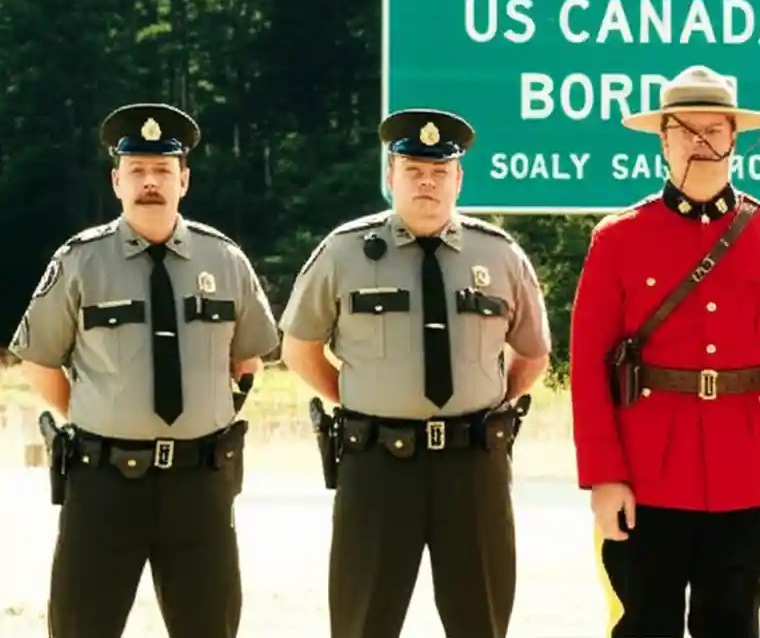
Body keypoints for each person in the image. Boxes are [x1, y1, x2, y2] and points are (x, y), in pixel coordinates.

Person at [569, 64, 760, 638]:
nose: (701, 142)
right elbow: (589, 368)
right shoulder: (618, 239)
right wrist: (605, 476)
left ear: (735, 137)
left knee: (733, 624)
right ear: (662, 140)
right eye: (686, 129)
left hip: (747, 468)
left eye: (715, 129)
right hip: (646, 474)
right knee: (645, 627)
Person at [7, 103, 279, 638]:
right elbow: (38, 362)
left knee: (209, 626)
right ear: (116, 181)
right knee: (83, 626)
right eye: (137, 170)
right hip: (104, 484)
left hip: (199, 485)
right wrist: (97, 414)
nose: (149, 182)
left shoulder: (224, 261)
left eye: (162, 170)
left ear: (184, 180)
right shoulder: (80, 261)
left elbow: (248, 361)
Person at [279, 108, 552, 638]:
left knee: (482, 622)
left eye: (439, 172)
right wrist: (359, 401)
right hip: (378, 465)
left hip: (474, 465)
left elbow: (533, 353)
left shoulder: (498, 255)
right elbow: (299, 348)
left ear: (458, 179)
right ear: (390, 176)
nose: (426, 183)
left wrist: (495, 401)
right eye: (412, 170)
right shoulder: (345, 252)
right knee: (364, 622)